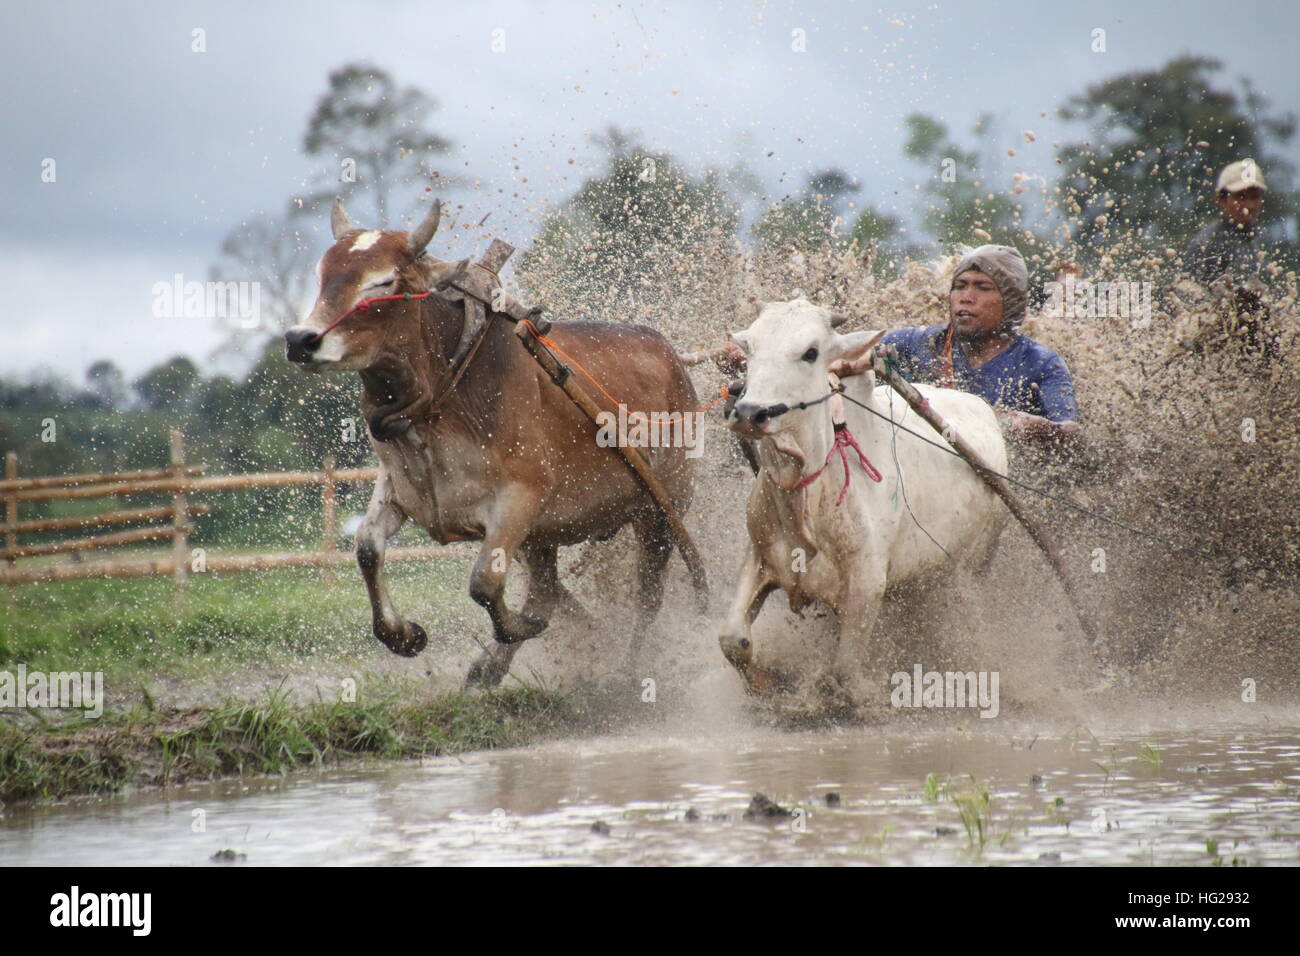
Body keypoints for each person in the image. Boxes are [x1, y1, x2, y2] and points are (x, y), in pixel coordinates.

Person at [873, 244, 1082, 444]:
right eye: (960, 286)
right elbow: (855, 355)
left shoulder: (1041, 363)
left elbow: (1072, 433)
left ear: (1011, 301)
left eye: (983, 288)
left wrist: (1042, 428)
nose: (966, 297)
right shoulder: (918, 342)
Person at [1183, 158, 1277, 357]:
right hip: (1219, 348)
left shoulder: (1254, 242)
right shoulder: (1208, 243)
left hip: (1254, 342)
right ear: (1221, 200)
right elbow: (1192, 299)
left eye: (1254, 197)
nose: (1249, 205)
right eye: (1241, 197)